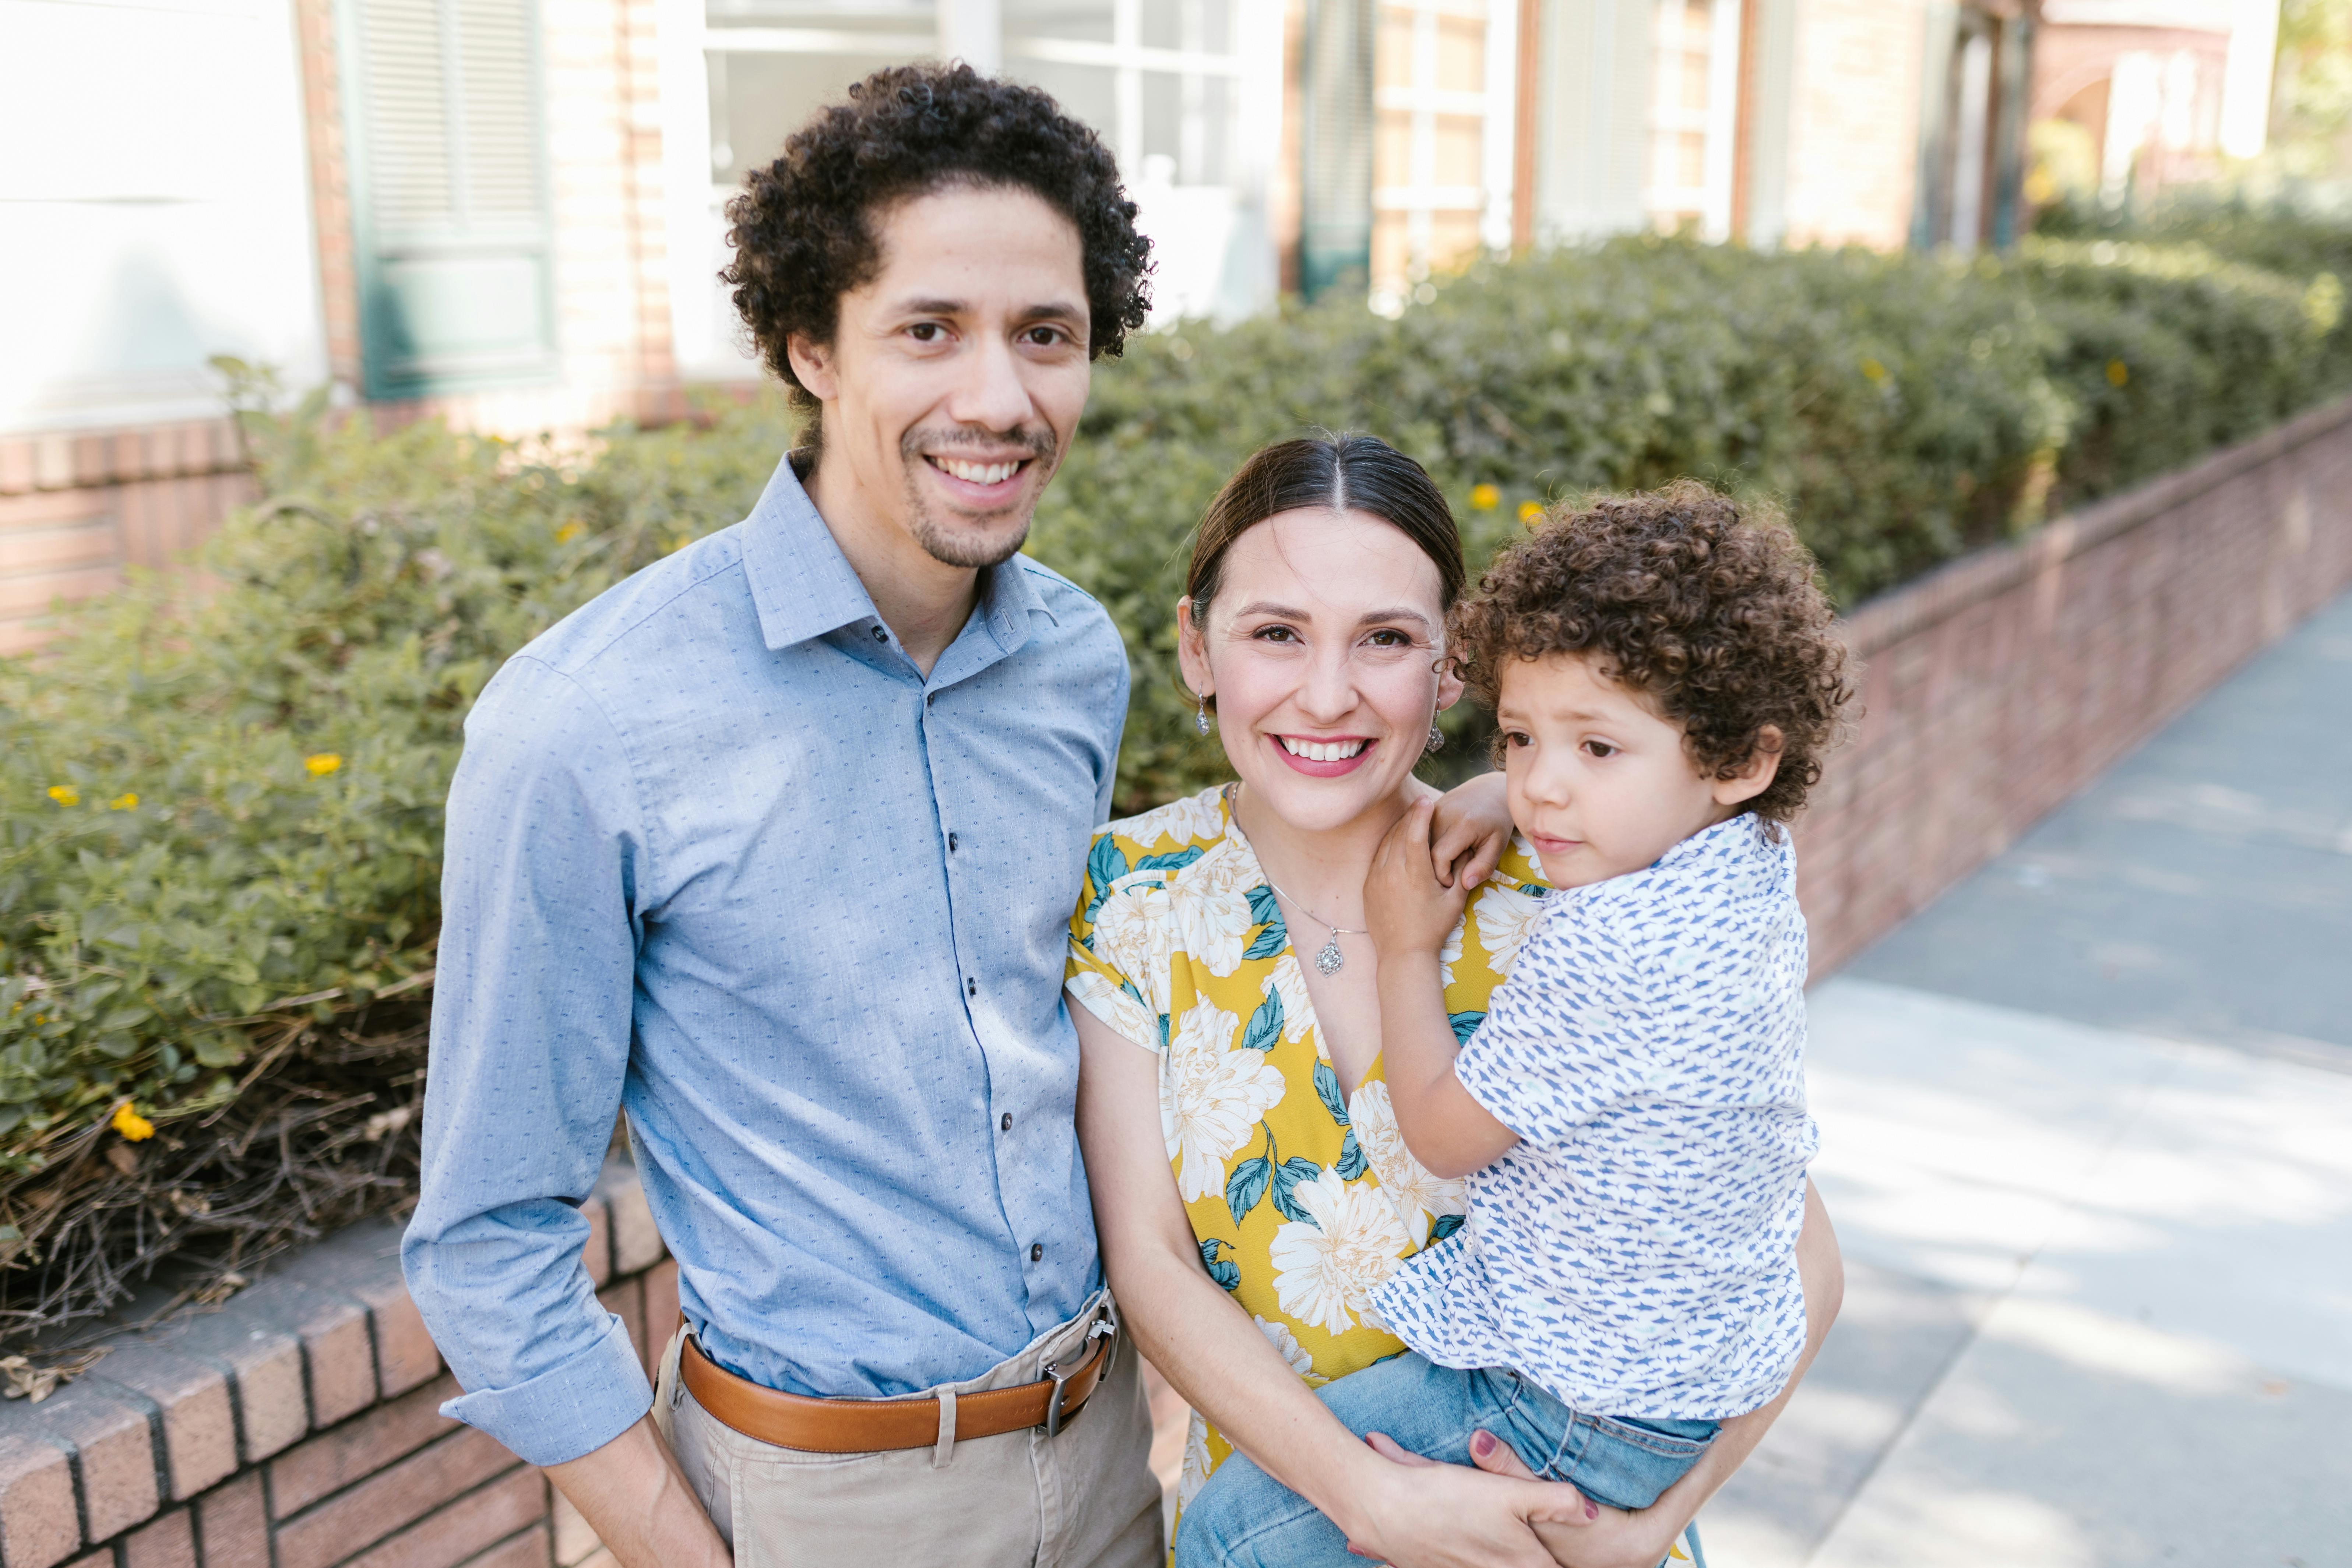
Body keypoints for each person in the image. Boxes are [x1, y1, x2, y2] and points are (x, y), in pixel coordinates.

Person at [402, 63, 1169, 1568]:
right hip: (823, 1510)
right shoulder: (586, 723)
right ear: (812, 344)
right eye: (928, 331)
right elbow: (489, 1242)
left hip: (1112, 1462)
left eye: (1046, 337)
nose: (999, 401)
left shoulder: (1078, 658)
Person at [1066, 438, 1846, 1568]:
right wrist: (1367, 1499)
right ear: (1198, 647)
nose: (1326, 693)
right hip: (1294, 1528)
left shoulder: (1576, 883)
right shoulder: (1136, 892)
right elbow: (1147, 1262)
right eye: (1275, 632)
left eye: (1384, 640)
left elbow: (1794, 1254)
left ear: (1449, 674)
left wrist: (1658, 1522)